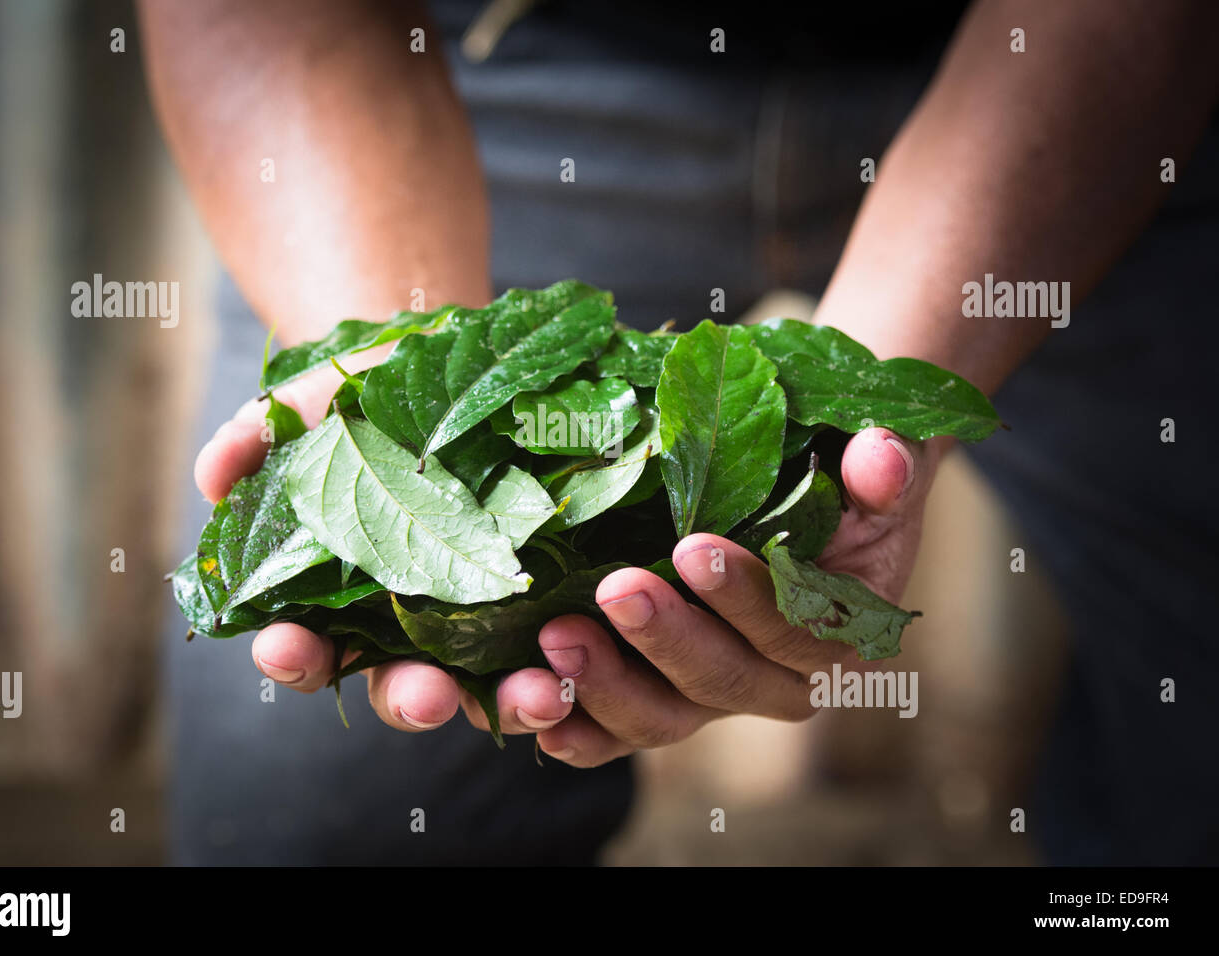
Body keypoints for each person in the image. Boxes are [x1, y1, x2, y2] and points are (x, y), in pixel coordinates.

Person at [141, 0, 1219, 864]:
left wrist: (857, 422)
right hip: (496, 68)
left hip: (1051, 76)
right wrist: (390, 360)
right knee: (317, 817)